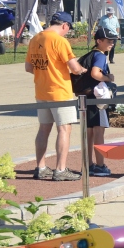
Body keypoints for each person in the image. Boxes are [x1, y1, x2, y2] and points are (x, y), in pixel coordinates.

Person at [24, 12, 86, 181]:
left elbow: (29, 67)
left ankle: (41, 167)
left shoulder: (35, 39)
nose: (67, 32)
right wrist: (82, 70)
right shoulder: (60, 41)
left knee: (44, 129)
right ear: (65, 25)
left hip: (41, 90)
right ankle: (60, 169)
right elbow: (74, 68)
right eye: (68, 29)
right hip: (60, 91)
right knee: (64, 129)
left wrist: (44, 73)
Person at [83, 29, 116, 177]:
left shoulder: (90, 55)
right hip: (98, 98)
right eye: (108, 41)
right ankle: (100, 165)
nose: (112, 43)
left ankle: (88, 164)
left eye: (113, 41)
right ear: (99, 41)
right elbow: (95, 73)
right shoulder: (100, 56)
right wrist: (108, 78)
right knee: (98, 131)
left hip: (87, 96)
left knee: (89, 132)